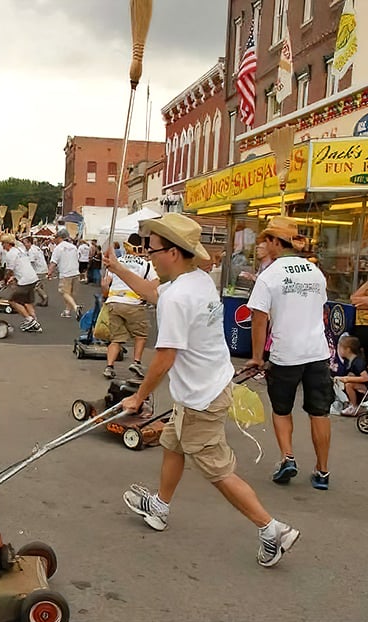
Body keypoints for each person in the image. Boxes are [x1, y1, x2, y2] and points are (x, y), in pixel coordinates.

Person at [103, 213, 299, 568]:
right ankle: (160, 506)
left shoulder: (179, 297)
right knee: (172, 443)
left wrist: (139, 396)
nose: (149, 255)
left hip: (201, 396)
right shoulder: (197, 279)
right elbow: (151, 291)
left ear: (173, 253)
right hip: (205, 386)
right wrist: (117, 268)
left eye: (153, 249)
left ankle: (272, 530)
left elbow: (164, 357)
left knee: (217, 470)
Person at [246, 216, 333, 490]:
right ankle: (322, 471)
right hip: (317, 352)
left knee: (282, 410)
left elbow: (259, 320)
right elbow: (321, 308)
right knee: (320, 413)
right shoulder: (314, 271)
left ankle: (288, 458)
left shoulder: (269, 276)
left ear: (274, 242)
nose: (263, 245)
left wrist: (257, 357)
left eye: (265, 240)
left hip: (286, 353)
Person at [102, 233, 158, 380]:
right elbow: (155, 283)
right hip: (133, 303)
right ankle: (136, 362)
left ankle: (109, 367)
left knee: (116, 338)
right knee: (140, 335)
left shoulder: (116, 261)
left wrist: (107, 296)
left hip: (114, 301)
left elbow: (105, 284)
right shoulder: (145, 264)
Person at [1, 234, 42, 332]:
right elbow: (22, 265)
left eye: (3, 243)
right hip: (32, 277)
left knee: (13, 301)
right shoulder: (21, 250)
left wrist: (5, 279)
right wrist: (14, 277)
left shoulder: (10, 254)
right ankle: (35, 322)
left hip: (25, 280)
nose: (2, 246)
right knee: (27, 302)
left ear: (7, 244)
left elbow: (9, 270)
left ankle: (29, 319)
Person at [48, 229, 81, 319]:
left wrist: (49, 273)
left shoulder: (58, 248)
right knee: (71, 294)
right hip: (75, 272)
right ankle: (67, 311)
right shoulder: (74, 247)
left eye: (56, 237)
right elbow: (78, 258)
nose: (55, 239)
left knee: (65, 293)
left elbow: (53, 262)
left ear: (59, 238)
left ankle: (75, 307)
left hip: (66, 273)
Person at [334, 336, 368, 416]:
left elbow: (365, 378)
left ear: (348, 349)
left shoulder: (357, 362)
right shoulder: (348, 361)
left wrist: (347, 379)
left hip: (366, 388)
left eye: (340, 348)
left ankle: (353, 406)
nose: (338, 351)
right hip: (358, 386)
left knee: (349, 385)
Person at [23, 236, 48, 306]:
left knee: (36, 286)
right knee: (40, 285)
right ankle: (43, 300)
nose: (24, 245)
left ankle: (45, 297)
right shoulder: (36, 248)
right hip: (42, 268)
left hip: (38, 270)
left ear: (29, 243)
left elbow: (31, 262)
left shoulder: (32, 250)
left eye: (25, 243)